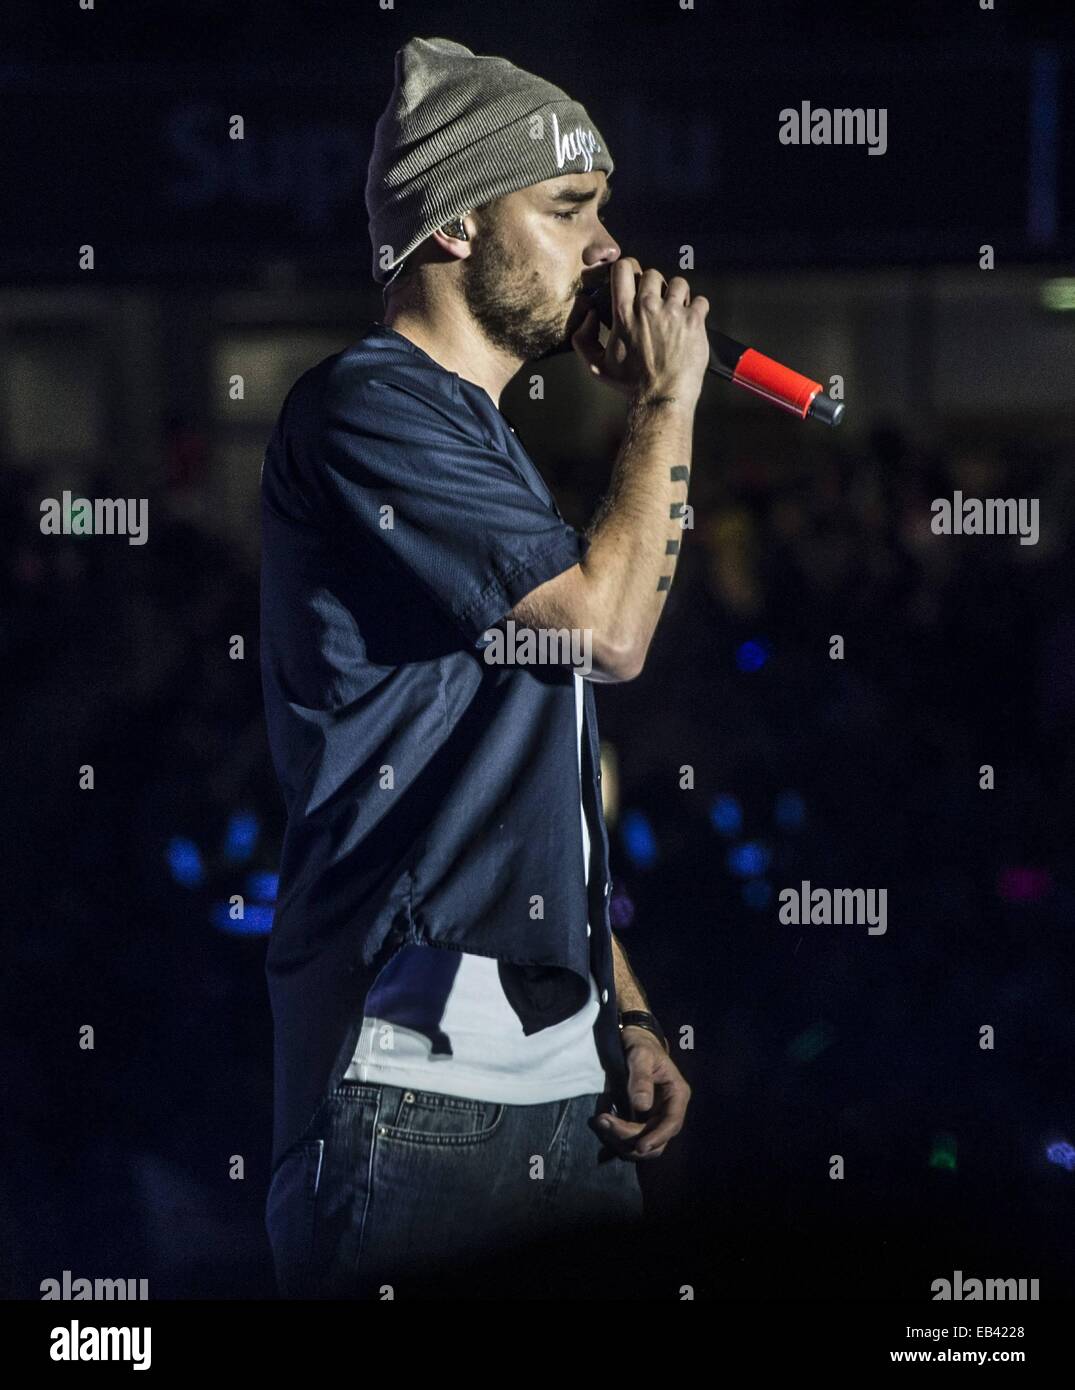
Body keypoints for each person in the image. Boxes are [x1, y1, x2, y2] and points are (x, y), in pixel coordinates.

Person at [260, 35, 709, 1299]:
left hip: (560, 1081)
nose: (610, 248)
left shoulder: (483, 444)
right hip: (420, 1090)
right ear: (453, 223)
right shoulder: (365, 404)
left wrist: (616, 1008)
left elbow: (523, 770)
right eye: (568, 208)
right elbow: (610, 631)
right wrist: (665, 405)